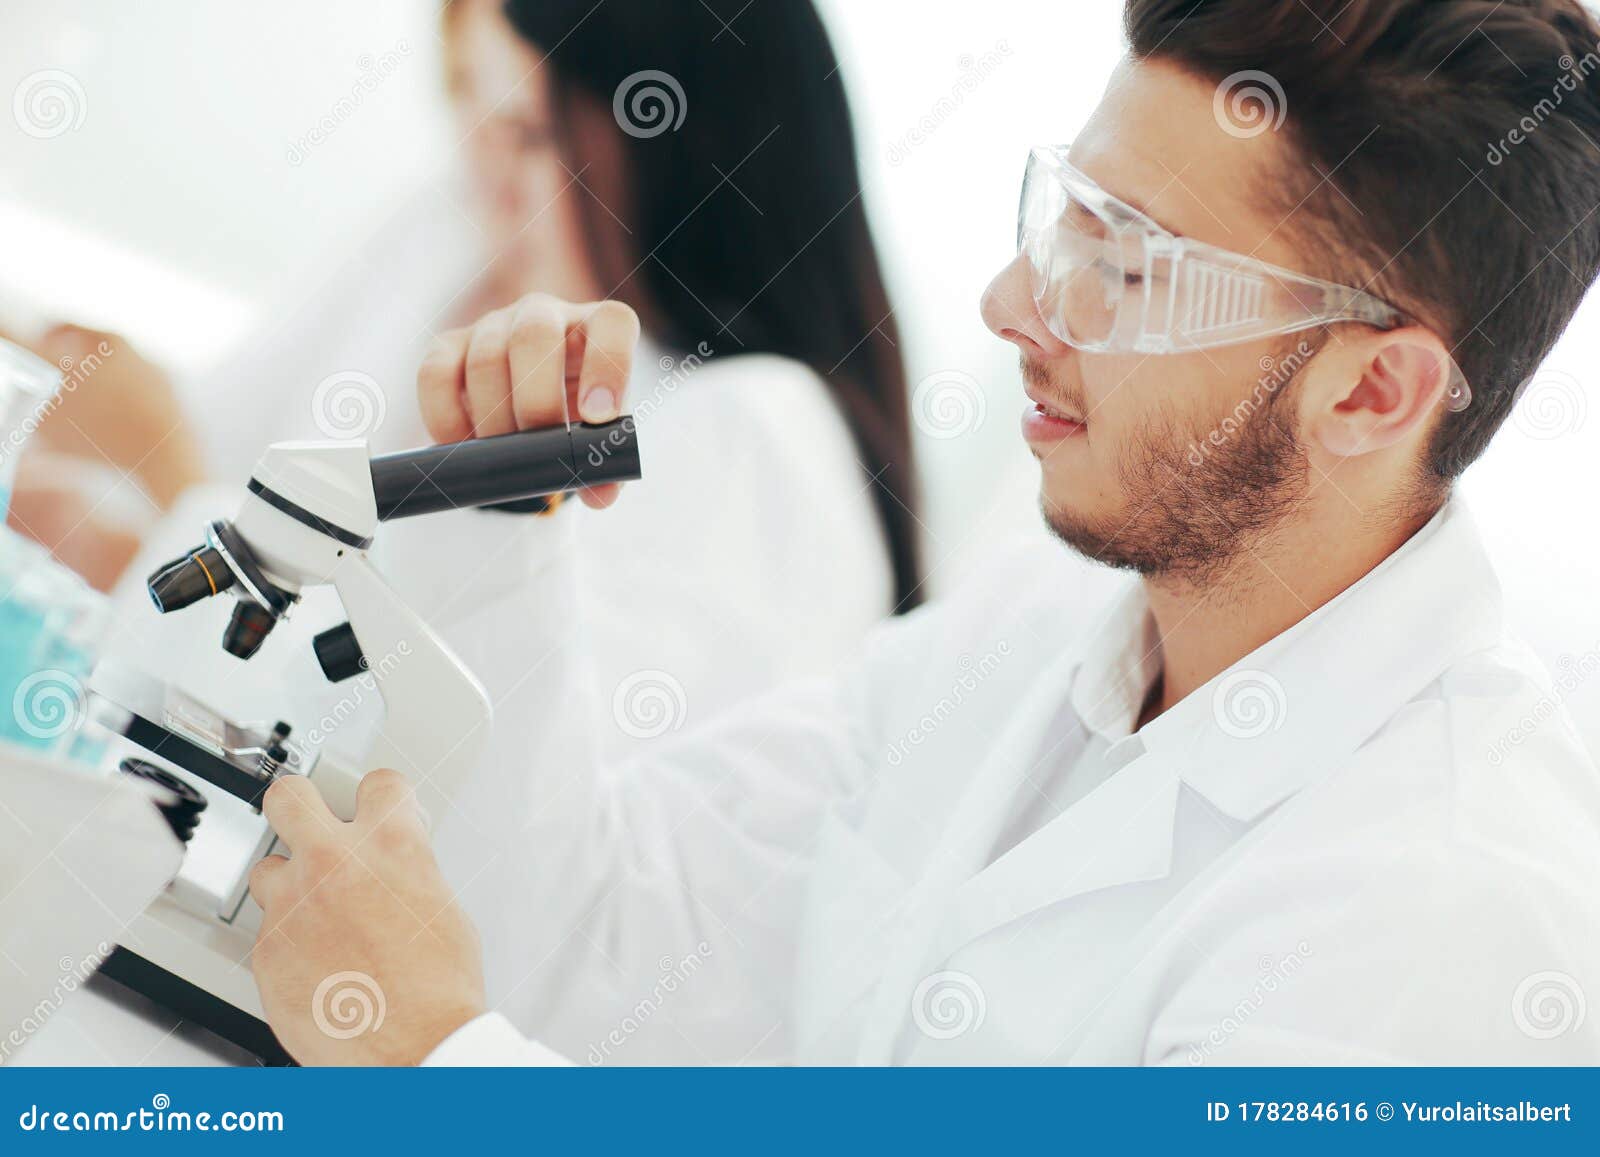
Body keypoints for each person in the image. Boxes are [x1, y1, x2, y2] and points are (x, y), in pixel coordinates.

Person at [249, 0, 1600, 1066]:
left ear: (1370, 392)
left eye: (1129, 266)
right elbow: (583, 954)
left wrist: (445, 1071)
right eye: (1063, 218)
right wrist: (502, 517)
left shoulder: (1442, 917)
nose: (1016, 301)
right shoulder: (1032, 633)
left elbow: (459, 1026)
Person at [9, 0, 924, 1033]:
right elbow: (226, 451)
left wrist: (156, 531)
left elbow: (505, 840)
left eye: (530, 136)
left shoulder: (753, 430)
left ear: (683, 149)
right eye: (470, 118)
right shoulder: (452, 248)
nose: (485, 181)